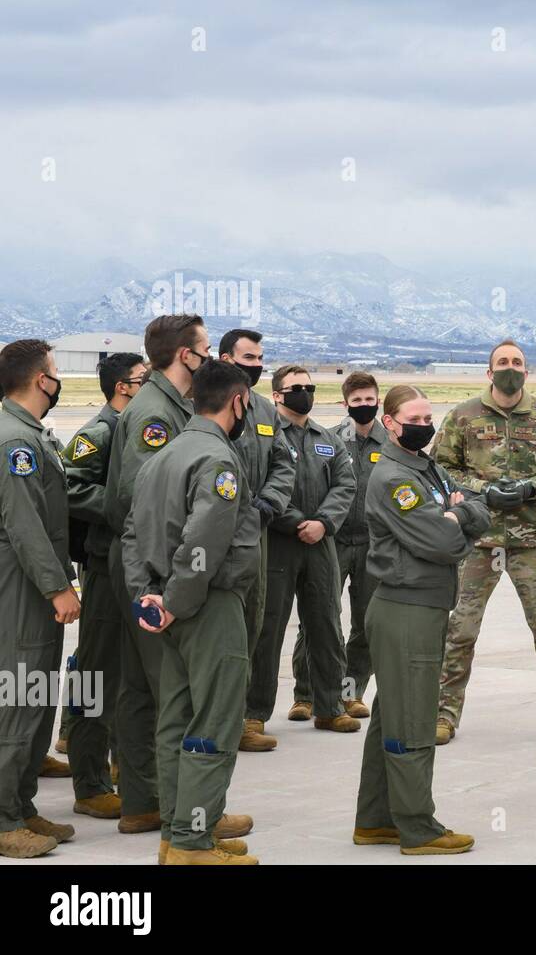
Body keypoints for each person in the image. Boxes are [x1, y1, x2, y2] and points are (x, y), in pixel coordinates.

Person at [122, 360, 261, 865]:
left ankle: (176, 834)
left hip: (166, 605)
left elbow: (132, 534)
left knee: (175, 721)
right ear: (238, 401)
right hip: (207, 606)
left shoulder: (164, 455)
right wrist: (179, 601)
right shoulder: (217, 459)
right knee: (213, 723)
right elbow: (205, 539)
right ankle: (192, 844)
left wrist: (150, 598)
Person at [352, 385, 489, 855]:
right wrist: (454, 520)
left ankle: (376, 819)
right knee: (412, 719)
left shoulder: (426, 467)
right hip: (406, 608)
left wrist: (458, 512)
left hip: (422, 604)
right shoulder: (394, 478)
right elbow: (443, 543)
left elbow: (478, 505)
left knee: (391, 713)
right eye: (415, 416)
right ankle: (417, 827)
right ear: (391, 423)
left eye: (429, 415)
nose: (425, 423)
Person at [105, 314, 222, 836]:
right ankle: (184, 814)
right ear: (184, 355)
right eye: (205, 348)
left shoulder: (169, 405)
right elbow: (142, 501)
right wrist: (161, 583)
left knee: (142, 688)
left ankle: (144, 803)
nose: (209, 357)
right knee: (173, 688)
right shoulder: (155, 412)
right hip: (151, 564)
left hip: (144, 562)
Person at [432, 340, 536, 743]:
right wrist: (483, 490)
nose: (509, 368)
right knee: (460, 630)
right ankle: (443, 715)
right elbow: (441, 468)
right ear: (489, 372)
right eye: (502, 362)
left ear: (526, 371)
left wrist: (532, 488)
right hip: (478, 542)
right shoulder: (462, 417)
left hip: (530, 541)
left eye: (516, 362)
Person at [246, 365, 358, 736]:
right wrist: (296, 522)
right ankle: (254, 713)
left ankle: (330, 706)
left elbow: (345, 483)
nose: (305, 393)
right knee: (268, 629)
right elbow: (261, 485)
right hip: (279, 543)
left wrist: (324, 522)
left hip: (321, 544)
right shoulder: (265, 436)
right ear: (277, 395)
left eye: (309, 387)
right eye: (296, 388)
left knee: (326, 624)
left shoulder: (327, 438)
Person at [0, 339, 80, 859]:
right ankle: (4, 819)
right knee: (19, 696)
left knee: (37, 693)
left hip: (34, 581)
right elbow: (25, 525)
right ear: (38, 379)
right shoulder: (15, 442)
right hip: (23, 584)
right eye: (54, 372)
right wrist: (57, 587)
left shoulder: (29, 433)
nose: (58, 380)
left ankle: (22, 805)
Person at [61, 351, 146, 820]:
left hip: (131, 565)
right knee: (94, 675)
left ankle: (121, 768)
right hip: (102, 566)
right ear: (122, 388)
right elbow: (70, 487)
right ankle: (89, 783)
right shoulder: (99, 433)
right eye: (141, 379)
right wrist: (122, 508)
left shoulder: (135, 428)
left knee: (129, 677)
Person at [289, 372, 387, 721]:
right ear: (346, 404)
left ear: (378, 399)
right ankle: (305, 694)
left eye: (369, 399)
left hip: (373, 544)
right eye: (357, 400)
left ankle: (350, 692)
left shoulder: (389, 442)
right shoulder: (330, 440)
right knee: (317, 619)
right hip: (334, 539)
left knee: (366, 623)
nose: (364, 405)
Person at [218, 329, 296, 754]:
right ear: (226, 358)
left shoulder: (265, 409)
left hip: (257, 532)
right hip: (214, 533)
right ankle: (213, 721)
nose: (257, 363)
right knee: (218, 627)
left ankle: (248, 717)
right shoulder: (204, 403)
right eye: (249, 356)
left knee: (256, 623)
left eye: (261, 357)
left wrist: (269, 504)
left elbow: (284, 463)